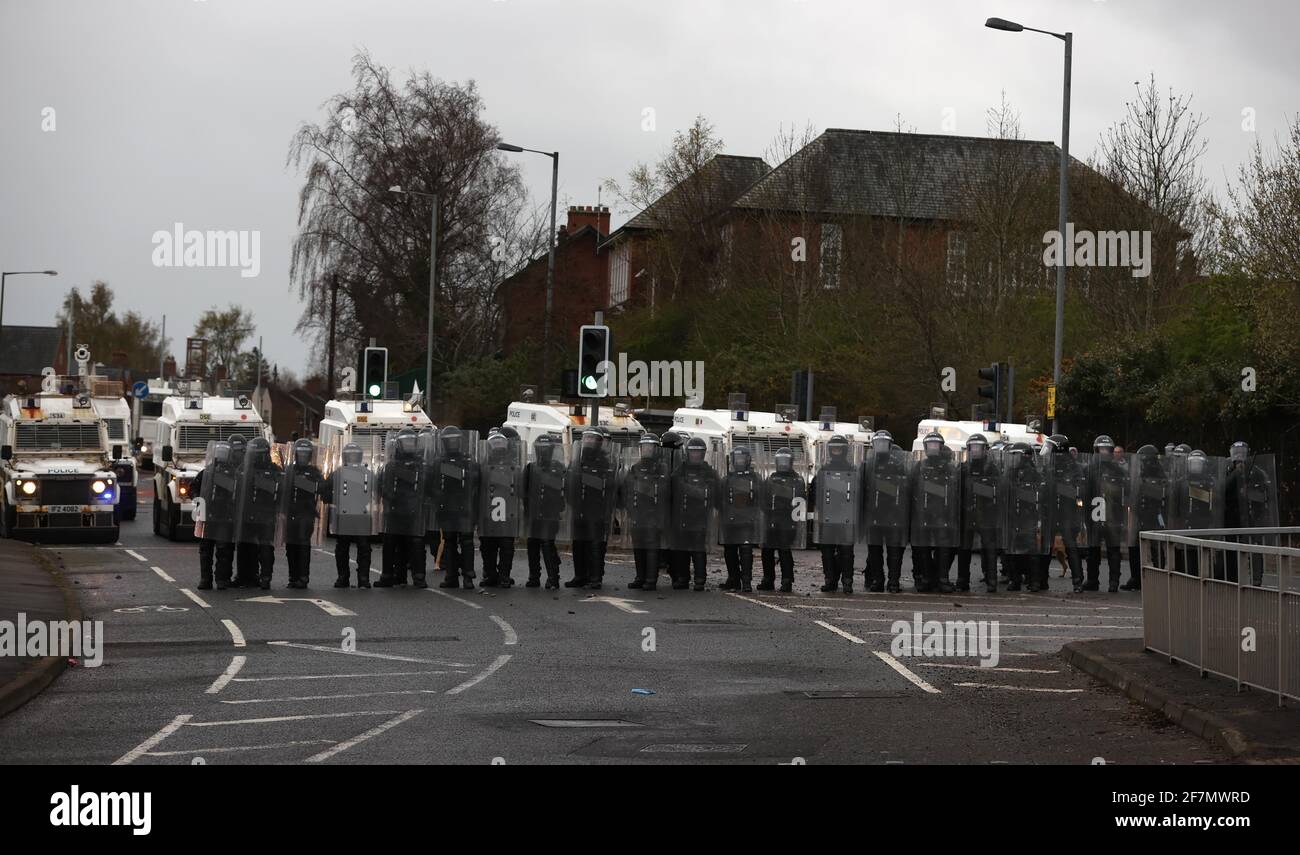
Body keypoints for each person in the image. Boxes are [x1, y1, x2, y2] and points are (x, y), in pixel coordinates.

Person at [430, 426, 479, 589]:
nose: (452, 443)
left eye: (454, 440)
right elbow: (433, 486)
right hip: (449, 508)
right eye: (449, 440)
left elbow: (476, 485)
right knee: (453, 542)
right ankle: (455, 576)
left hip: (461, 507)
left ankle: (465, 577)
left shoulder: (468, 462)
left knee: (463, 542)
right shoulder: (441, 462)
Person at [909, 432, 959, 593]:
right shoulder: (920, 466)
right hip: (923, 512)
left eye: (935, 444)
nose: (932, 448)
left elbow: (954, 491)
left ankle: (942, 578)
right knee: (923, 548)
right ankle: (926, 578)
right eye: (930, 445)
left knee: (943, 548)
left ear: (941, 446)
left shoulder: (949, 467)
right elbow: (912, 488)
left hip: (943, 513)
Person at [619, 433, 669, 591]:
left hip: (654, 514)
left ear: (656, 449)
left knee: (652, 547)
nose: (646, 449)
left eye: (650, 447)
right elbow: (627, 489)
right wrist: (630, 508)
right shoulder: (636, 467)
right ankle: (639, 577)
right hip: (637, 514)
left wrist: (644, 487)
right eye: (644, 447)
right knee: (638, 547)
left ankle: (651, 579)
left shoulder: (662, 467)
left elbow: (663, 489)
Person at [377, 427, 427, 587]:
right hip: (395, 510)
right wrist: (390, 498)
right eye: (406, 442)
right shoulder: (391, 466)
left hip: (414, 510)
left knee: (415, 543)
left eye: (411, 442)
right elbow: (383, 486)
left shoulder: (422, 466)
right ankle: (390, 575)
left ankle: (418, 577)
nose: (409, 445)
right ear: (399, 444)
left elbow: (427, 487)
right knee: (391, 542)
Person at [567, 429, 616, 589]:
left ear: (598, 442)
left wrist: (584, 477)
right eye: (586, 437)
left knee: (594, 544)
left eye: (591, 438)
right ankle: (580, 575)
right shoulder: (577, 460)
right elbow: (569, 481)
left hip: (596, 508)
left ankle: (595, 578)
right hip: (579, 506)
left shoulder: (603, 462)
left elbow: (606, 484)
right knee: (578, 542)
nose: (588, 440)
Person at [322, 441, 374, 588]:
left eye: (354, 456)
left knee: (358, 548)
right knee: (346, 548)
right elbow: (325, 492)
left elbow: (376, 491)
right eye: (349, 456)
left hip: (356, 514)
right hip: (351, 514)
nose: (351, 458)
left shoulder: (362, 473)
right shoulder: (341, 473)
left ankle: (359, 578)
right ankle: (347, 578)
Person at [863, 430, 910, 593]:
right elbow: (862, 488)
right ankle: (877, 580)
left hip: (894, 513)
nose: (881, 446)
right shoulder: (868, 464)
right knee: (874, 551)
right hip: (874, 513)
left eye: (885, 443)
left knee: (894, 551)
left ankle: (893, 581)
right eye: (878, 443)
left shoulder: (898, 465)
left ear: (890, 445)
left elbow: (905, 488)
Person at [233, 437, 282, 590]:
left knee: (263, 546)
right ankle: (248, 576)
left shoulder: (273, 470)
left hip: (263, 514)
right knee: (246, 545)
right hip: (249, 513)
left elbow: (281, 492)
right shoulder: (244, 469)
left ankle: (263, 577)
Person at [669, 436, 717, 591]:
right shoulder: (680, 470)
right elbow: (671, 488)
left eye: (699, 452)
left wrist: (689, 489)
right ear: (687, 453)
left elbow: (712, 492)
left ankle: (700, 579)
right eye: (693, 452)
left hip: (700, 515)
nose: (695, 455)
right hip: (682, 515)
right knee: (682, 549)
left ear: (703, 453)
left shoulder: (708, 471)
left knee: (698, 549)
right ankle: (683, 578)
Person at [478, 429, 523, 588]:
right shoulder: (484, 465)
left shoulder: (512, 466)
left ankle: (503, 575)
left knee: (503, 545)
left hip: (505, 512)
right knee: (491, 545)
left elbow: (520, 489)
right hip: (491, 511)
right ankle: (493, 575)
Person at [813, 434, 858, 593]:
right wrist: (820, 508)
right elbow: (815, 492)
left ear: (845, 450)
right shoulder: (823, 470)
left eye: (839, 448)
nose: (837, 451)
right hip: (828, 517)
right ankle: (830, 579)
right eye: (834, 449)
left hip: (847, 517)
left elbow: (858, 493)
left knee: (846, 551)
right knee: (827, 551)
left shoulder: (853, 470)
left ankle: (847, 581)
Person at [191, 441, 238, 590]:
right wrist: (199, 501)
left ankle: (221, 579)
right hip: (208, 515)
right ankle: (206, 579)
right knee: (206, 549)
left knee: (224, 549)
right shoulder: (207, 472)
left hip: (225, 515)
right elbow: (194, 487)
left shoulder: (234, 473)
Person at [1044, 434, 1087, 593]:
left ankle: (1077, 581)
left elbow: (1079, 490)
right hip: (1052, 510)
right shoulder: (1051, 465)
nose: (1047, 451)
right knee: (1046, 545)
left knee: (1070, 545)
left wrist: (1059, 488)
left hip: (1068, 512)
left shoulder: (1073, 467)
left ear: (1058, 448)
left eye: (1050, 447)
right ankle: (1040, 580)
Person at [1003, 443, 1048, 592]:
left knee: (1031, 549)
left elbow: (1039, 494)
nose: (1013, 459)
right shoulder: (1010, 472)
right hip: (1012, 514)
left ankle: (1033, 580)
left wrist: (1020, 492)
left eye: (1016, 455)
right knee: (1012, 549)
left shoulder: (1034, 473)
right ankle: (1015, 579)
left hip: (1028, 515)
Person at [523, 433, 566, 589]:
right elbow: (524, 491)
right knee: (532, 543)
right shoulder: (530, 468)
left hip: (550, 512)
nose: (543, 452)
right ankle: (534, 577)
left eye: (546, 449)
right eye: (541, 449)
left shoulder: (558, 468)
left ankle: (553, 578)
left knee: (547, 543)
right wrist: (527, 510)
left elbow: (563, 491)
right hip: (534, 512)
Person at [1085, 435, 1128, 592]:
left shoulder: (1117, 471)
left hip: (1111, 514)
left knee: (1112, 550)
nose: (1103, 453)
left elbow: (1125, 493)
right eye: (1101, 449)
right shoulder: (1090, 469)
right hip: (1096, 514)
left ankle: (1112, 582)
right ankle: (1094, 580)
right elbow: (1085, 493)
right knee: (1094, 550)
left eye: (1106, 449)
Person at [958, 434, 1000, 593]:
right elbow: (957, 490)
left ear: (984, 450)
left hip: (986, 513)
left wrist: (977, 487)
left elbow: (997, 491)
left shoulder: (991, 468)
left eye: (978, 448)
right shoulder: (963, 468)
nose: (975, 451)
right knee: (964, 548)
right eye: (972, 448)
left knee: (990, 548)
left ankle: (992, 580)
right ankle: (962, 580)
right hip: (967, 512)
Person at [759, 446, 805, 593]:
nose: (783, 464)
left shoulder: (797, 480)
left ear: (791, 462)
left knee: (784, 550)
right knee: (767, 550)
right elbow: (763, 499)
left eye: (786, 461)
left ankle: (787, 581)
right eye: (781, 460)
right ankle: (768, 579)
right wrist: (767, 511)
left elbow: (800, 501)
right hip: (771, 519)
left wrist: (795, 520)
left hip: (788, 521)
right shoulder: (771, 479)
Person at [281, 438, 324, 589]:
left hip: (306, 512)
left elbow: (321, 489)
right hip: (290, 511)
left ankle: (303, 577)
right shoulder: (289, 470)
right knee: (290, 546)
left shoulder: (314, 472)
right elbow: (282, 489)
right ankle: (293, 576)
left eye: (306, 454)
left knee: (303, 544)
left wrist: (301, 482)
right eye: (301, 453)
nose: (303, 456)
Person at [718, 444, 762, 592]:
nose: (739, 461)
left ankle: (746, 581)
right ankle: (733, 579)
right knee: (729, 550)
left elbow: (760, 499)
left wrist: (753, 516)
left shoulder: (755, 479)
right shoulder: (727, 479)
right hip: (730, 521)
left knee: (746, 550)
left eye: (742, 458)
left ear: (748, 460)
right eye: (737, 458)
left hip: (747, 521)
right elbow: (720, 500)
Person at [1126, 444, 1168, 590]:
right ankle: (1136, 577)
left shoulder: (1159, 475)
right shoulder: (1142, 472)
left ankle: (1159, 577)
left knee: (1156, 547)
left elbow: (1160, 494)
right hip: (1140, 512)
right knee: (1134, 546)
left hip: (1154, 514)